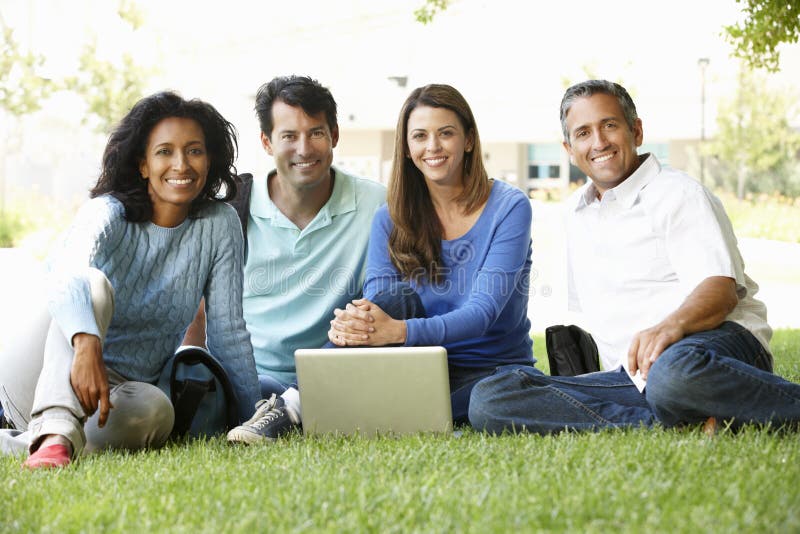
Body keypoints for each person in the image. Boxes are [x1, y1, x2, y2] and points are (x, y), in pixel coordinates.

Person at [469, 79, 800, 434]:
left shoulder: (679, 194)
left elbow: (719, 291)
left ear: (636, 130)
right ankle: (677, 420)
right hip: (634, 378)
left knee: (672, 375)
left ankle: (688, 406)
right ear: (569, 148)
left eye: (609, 125)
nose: (599, 143)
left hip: (712, 351)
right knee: (491, 397)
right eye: (583, 133)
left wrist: (669, 328)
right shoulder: (574, 215)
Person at [229, 83, 536, 442]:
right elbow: (380, 301)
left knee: (486, 403)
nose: (433, 146)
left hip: (491, 370)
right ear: (407, 148)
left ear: (468, 140)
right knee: (389, 300)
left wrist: (399, 332)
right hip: (418, 367)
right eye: (420, 136)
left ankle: (292, 404)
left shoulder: (508, 206)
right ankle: (293, 401)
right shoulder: (390, 216)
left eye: (446, 133)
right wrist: (361, 323)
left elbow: (484, 311)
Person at [0, 91, 260, 468]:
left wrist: (252, 419)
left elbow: (229, 332)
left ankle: (34, 444)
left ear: (210, 159)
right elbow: (64, 278)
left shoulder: (219, 226)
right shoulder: (107, 213)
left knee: (158, 411)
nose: (181, 164)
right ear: (142, 164)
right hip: (43, 364)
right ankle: (55, 429)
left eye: (194, 150)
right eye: (164, 151)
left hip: (110, 393)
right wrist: (86, 344)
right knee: (91, 285)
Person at [199, 76, 385, 444]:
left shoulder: (376, 204)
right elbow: (200, 308)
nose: (304, 148)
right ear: (267, 142)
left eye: (316, 133)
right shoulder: (232, 208)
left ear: (334, 134)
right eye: (289, 136)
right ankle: (272, 411)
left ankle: (291, 408)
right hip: (251, 379)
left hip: (334, 375)